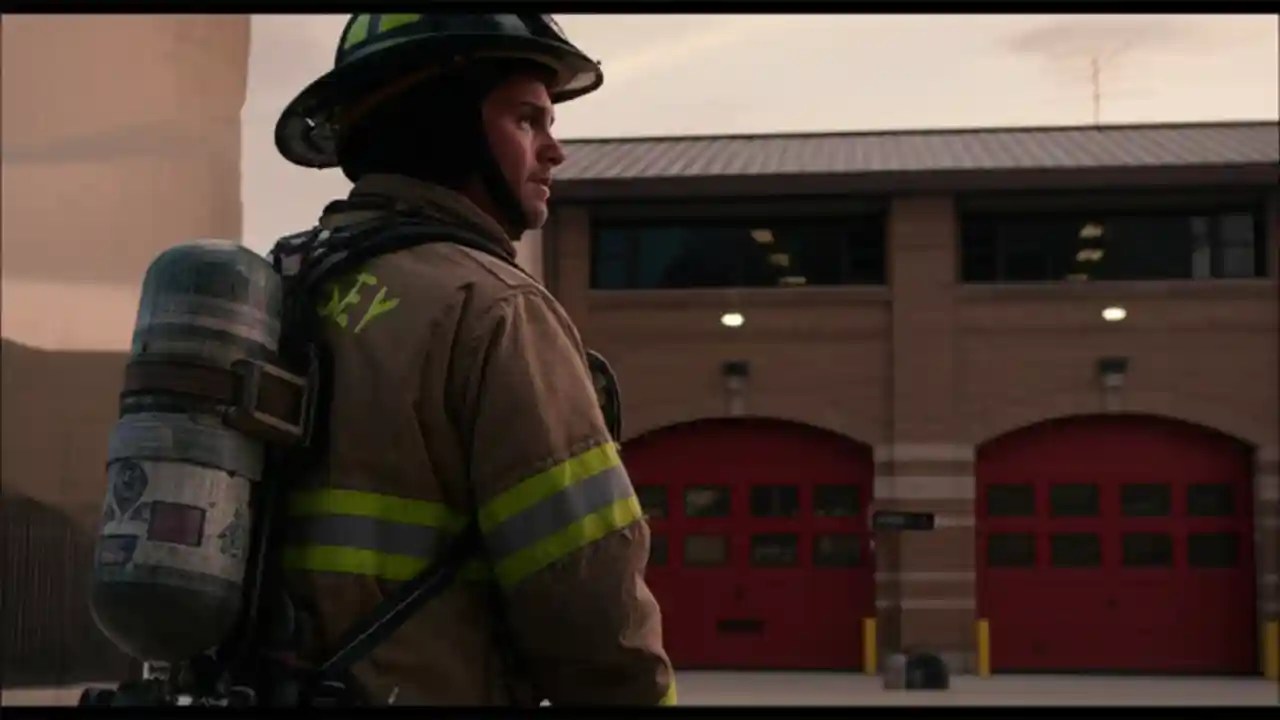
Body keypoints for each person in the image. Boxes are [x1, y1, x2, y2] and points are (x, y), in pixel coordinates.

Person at [268, 13, 675, 706]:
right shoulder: (491, 307)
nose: (555, 152)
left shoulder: (275, 285)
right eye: (527, 121)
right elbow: (585, 591)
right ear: (444, 127)